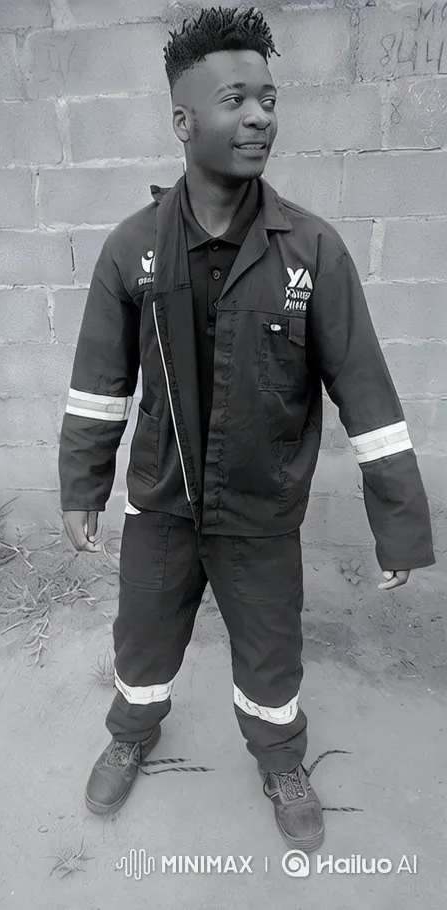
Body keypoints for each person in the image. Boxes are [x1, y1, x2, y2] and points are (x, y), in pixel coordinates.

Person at [58, 6, 435, 853]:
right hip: (162, 503)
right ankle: (131, 731)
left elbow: (368, 398)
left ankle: (280, 761)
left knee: (271, 655)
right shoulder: (131, 253)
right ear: (184, 121)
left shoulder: (313, 252)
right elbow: (97, 388)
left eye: (269, 97)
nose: (261, 115)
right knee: (144, 636)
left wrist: (400, 525)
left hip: (262, 510)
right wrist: (82, 486)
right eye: (235, 100)